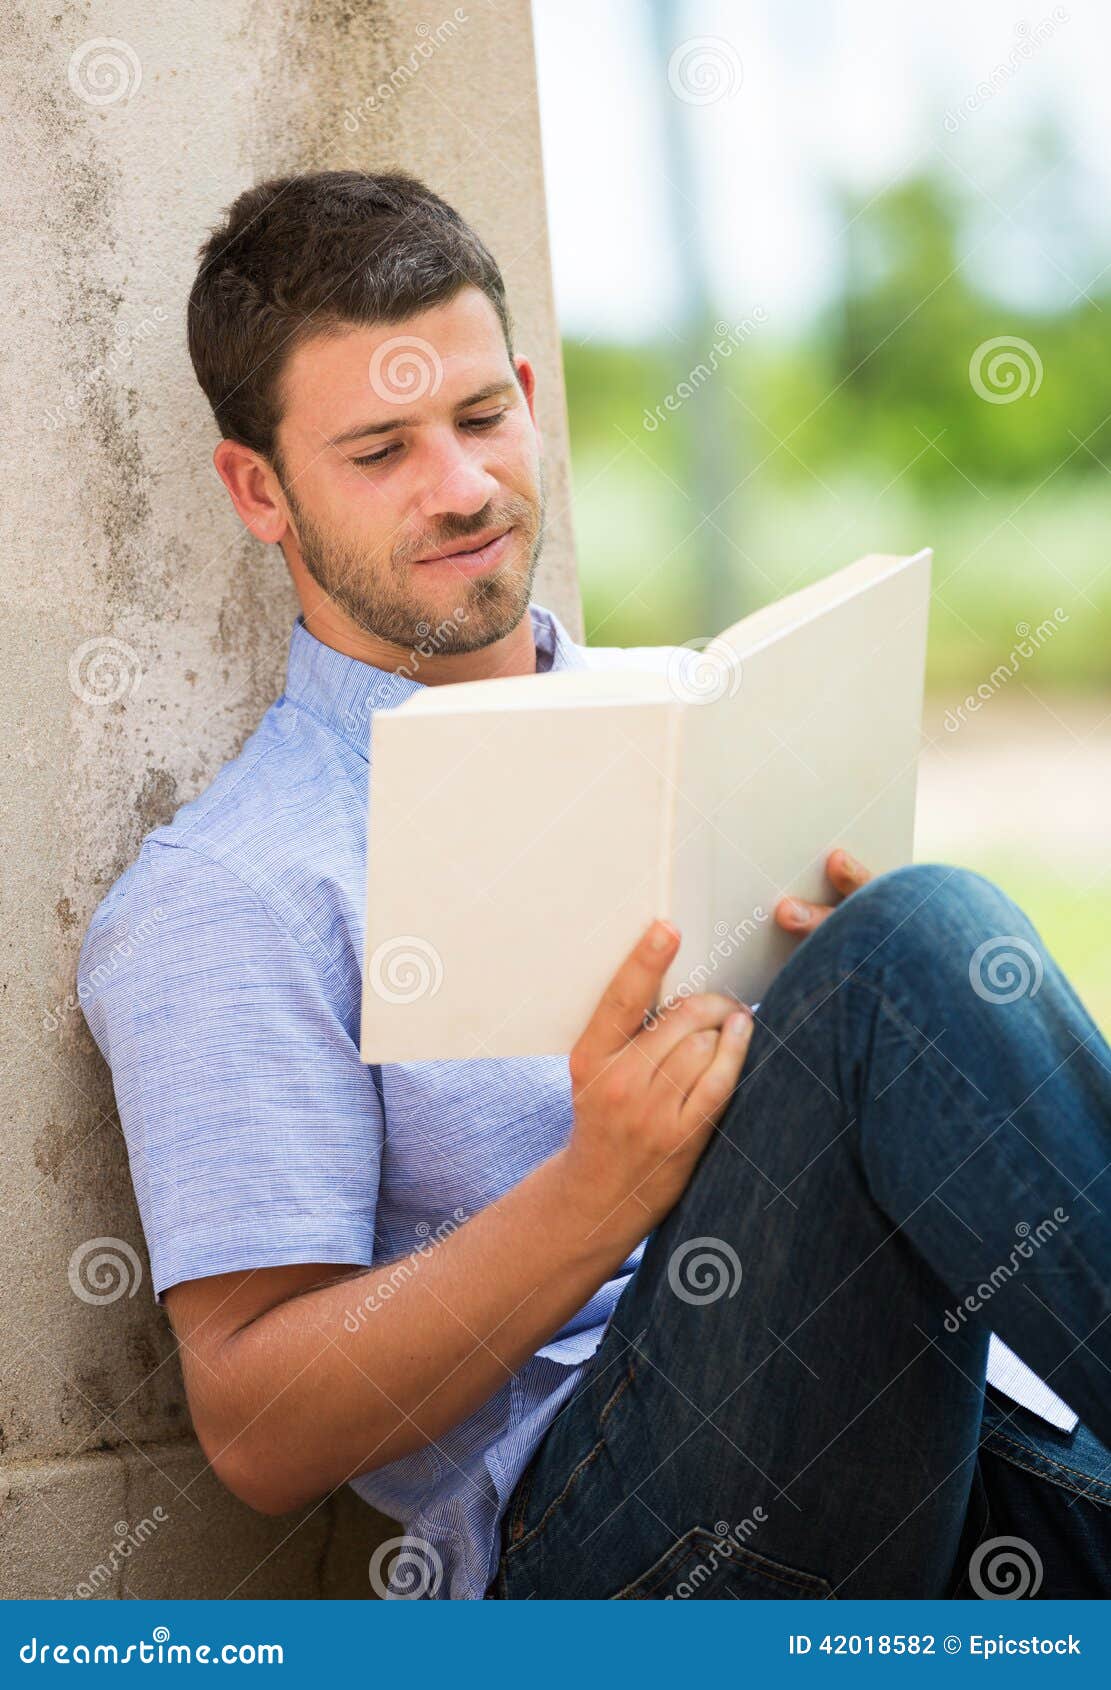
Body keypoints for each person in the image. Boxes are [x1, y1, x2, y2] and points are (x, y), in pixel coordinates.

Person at [79, 171, 1111, 1601]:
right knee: (918, 944)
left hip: (969, 1424)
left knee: (904, 940)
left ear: (526, 392)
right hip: (616, 1532)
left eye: (482, 418)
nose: (461, 488)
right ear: (260, 488)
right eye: (379, 449)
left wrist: (849, 998)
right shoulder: (233, 890)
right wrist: (593, 1191)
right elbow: (256, 1428)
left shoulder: (698, 718)